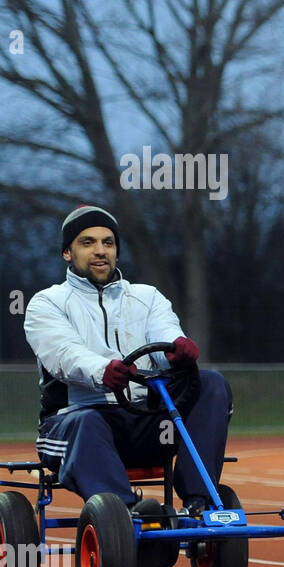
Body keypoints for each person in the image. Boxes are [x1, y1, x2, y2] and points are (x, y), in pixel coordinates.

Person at [24, 205, 233, 526]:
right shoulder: (47, 303)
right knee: (87, 421)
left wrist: (176, 349)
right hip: (74, 426)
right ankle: (125, 516)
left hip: (145, 422)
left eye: (108, 243)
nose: (100, 251)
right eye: (87, 242)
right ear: (67, 252)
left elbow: (164, 333)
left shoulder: (146, 297)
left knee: (211, 382)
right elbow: (63, 355)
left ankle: (200, 502)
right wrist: (103, 371)